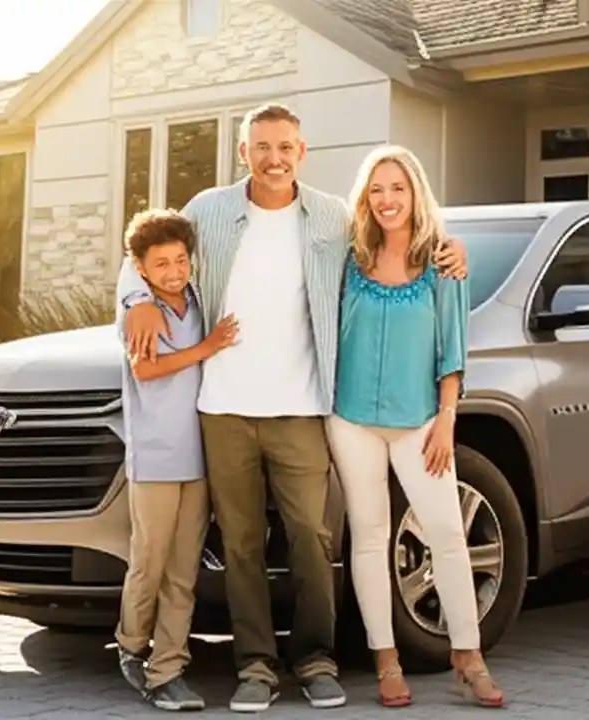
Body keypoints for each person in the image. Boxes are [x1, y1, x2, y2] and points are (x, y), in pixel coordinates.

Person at [116, 103, 467, 713]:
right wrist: (135, 297)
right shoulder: (208, 211)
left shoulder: (331, 217)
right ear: (244, 153)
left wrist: (453, 249)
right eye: (262, 147)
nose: (273, 158)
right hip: (222, 408)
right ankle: (255, 666)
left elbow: (397, 230)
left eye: (285, 147)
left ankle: (315, 658)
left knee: (310, 537)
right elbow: (146, 250)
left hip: (303, 406)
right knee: (243, 544)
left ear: (301, 153)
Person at [325, 145, 505, 709]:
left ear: (415, 192)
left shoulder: (443, 263)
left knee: (447, 533)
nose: (386, 200)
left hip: (420, 421)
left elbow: (452, 349)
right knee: (371, 536)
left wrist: (447, 419)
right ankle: (386, 659)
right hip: (350, 418)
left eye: (397, 188)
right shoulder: (347, 260)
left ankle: (467, 655)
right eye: (376, 189)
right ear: (364, 198)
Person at [113, 208, 239, 712]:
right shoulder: (139, 311)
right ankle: (129, 645)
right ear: (141, 270)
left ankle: (168, 669)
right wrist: (207, 347)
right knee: (149, 562)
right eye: (160, 264)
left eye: (180, 260)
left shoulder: (197, 300)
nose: (173, 271)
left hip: (198, 458)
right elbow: (146, 371)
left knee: (184, 571)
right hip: (157, 459)